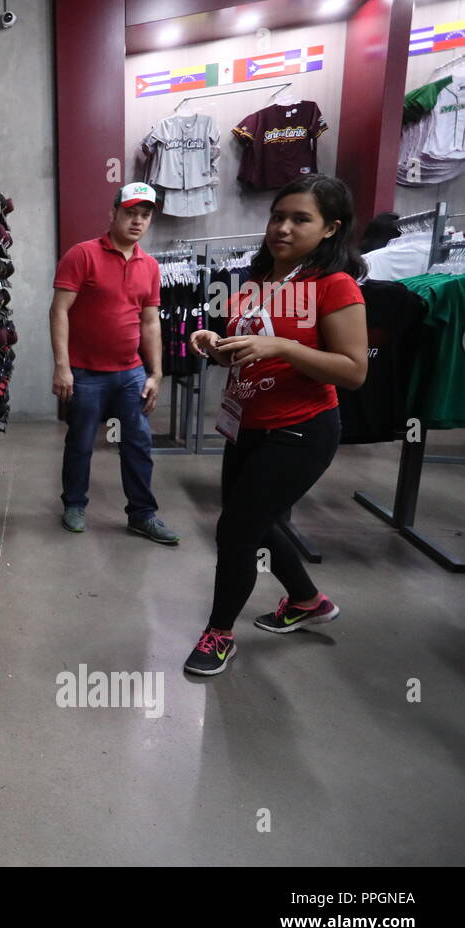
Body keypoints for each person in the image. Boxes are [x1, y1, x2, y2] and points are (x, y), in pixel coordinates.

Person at [184, 174, 368, 676]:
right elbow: (248, 349)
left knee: (236, 532)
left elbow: (354, 371)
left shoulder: (335, 285)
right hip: (247, 423)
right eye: (277, 216)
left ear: (331, 228)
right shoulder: (258, 281)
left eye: (299, 219)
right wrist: (214, 342)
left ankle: (219, 632)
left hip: (302, 428)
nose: (282, 227)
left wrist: (284, 347)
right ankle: (308, 600)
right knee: (258, 522)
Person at [49, 182, 179, 544]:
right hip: (86, 373)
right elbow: (59, 311)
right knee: (81, 442)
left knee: (137, 443)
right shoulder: (82, 255)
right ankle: (74, 504)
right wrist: (63, 365)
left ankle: (143, 514)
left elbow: (150, 321)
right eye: (130, 213)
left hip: (129, 373)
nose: (137, 221)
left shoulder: (149, 266)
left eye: (145, 215)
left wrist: (156, 371)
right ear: (114, 213)